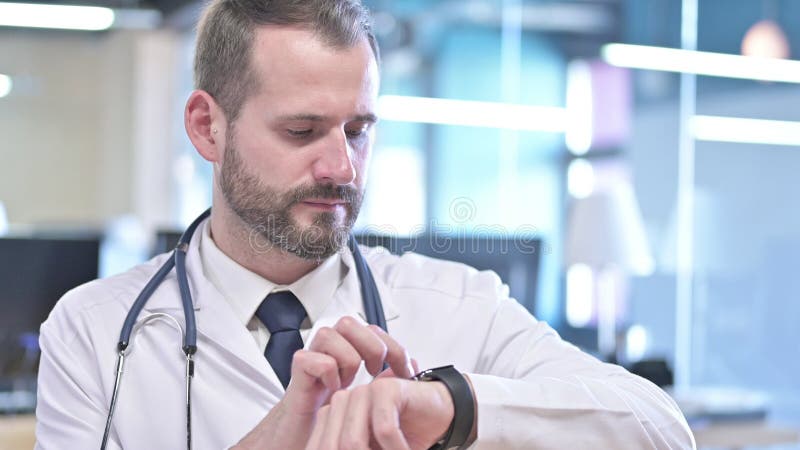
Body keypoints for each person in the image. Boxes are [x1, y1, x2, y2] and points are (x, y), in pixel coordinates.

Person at [34, 0, 695, 448]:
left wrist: (451, 407)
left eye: (358, 130)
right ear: (208, 127)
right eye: (302, 130)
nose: (341, 167)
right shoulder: (94, 331)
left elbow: (660, 428)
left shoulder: (463, 304)